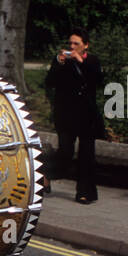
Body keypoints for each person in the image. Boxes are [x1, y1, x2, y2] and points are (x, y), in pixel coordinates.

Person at [45, 28, 104, 204]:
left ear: (85, 46)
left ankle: (85, 192)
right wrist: (58, 62)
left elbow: (98, 82)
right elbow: (49, 82)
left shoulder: (92, 61)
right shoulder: (62, 62)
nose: (72, 46)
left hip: (86, 116)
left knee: (87, 154)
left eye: (76, 44)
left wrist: (82, 63)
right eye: (70, 43)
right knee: (65, 152)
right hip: (66, 115)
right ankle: (46, 173)